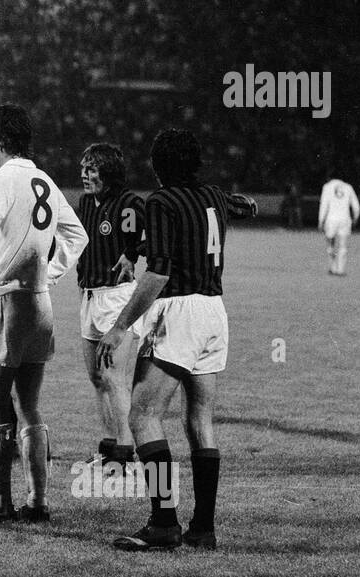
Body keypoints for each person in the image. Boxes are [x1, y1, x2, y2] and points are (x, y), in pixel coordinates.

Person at [97, 128, 257, 551]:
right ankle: (203, 529)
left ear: (157, 165)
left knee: (143, 416)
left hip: (180, 310)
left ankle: (164, 522)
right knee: (199, 419)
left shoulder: (161, 201)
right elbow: (246, 206)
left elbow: (160, 272)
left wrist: (120, 327)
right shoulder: (215, 196)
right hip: (214, 311)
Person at [0, 104, 88, 524]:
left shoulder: (0, 181)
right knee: (29, 404)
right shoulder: (43, 179)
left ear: (1, 142)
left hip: (3, 302)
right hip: (38, 301)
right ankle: (39, 501)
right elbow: (76, 234)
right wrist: (50, 272)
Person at [76, 143, 147, 470]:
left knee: (113, 376)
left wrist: (132, 252)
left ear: (108, 172)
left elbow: (150, 235)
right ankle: (109, 442)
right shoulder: (85, 204)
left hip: (117, 297)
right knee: (95, 376)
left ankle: (125, 448)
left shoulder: (129, 203)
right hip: (89, 296)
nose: (84, 175)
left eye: (91, 169)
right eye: (84, 168)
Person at [318, 175, 360, 276]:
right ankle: (340, 270)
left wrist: (321, 220)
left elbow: (324, 204)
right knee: (343, 245)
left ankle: (333, 268)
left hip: (331, 220)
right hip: (345, 220)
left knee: (330, 244)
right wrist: (356, 217)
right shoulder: (348, 187)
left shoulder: (327, 187)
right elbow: (356, 205)